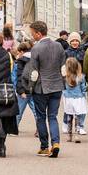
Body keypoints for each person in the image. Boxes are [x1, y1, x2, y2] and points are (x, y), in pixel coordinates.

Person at [27, 20, 66, 157]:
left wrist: (30, 88)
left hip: (41, 87)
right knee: (53, 116)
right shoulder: (59, 46)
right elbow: (63, 68)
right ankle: (56, 143)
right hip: (57, 86)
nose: (32, 36)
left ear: (38, 33)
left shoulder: (36, 49)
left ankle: (44, 146)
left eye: (33, 34)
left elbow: (33, 73)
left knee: (41, 117)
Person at [61, 58, 88, 143]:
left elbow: (63, 88)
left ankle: (69, 136)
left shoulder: (65, 77)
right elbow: (84, 88)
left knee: (69, 117)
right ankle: (77, 134)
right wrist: (84, 93)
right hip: (78, 99)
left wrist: (65, 94)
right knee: (77, 117)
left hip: (68, 99)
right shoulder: (81, 77)